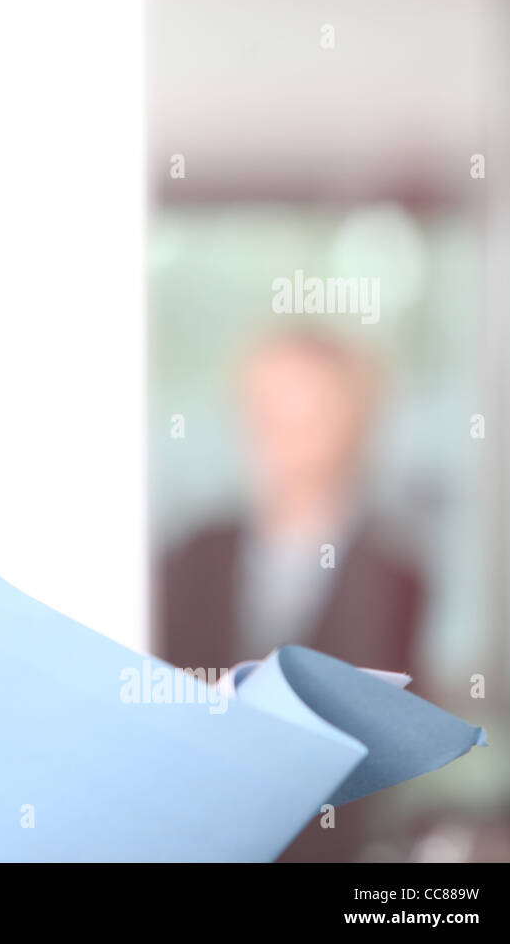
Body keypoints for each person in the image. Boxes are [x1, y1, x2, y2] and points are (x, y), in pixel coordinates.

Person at [155, 325, 427, 861]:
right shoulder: (193, 554)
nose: (286, 434)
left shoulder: (393, 572)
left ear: (355, 422)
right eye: (268, 411)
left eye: (310, 413)